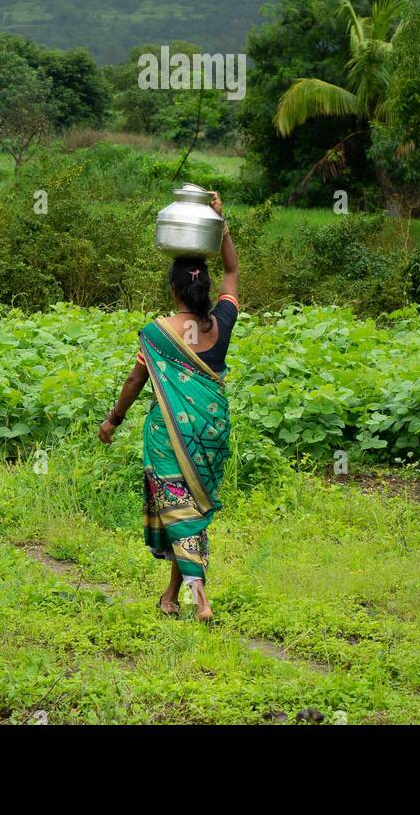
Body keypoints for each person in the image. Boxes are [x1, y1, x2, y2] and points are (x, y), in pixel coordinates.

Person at [99, 192, 239, 623]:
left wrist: (112, 420)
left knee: (180, 514)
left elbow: (134, 382)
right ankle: (170, 597)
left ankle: (201, 599)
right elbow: (232, 271)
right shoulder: (222, 323)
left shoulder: (158, 335)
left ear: (175, 289)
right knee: (190, 511)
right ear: (204, 290)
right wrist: (222, 225)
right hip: (212, 432)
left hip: (169, 435)